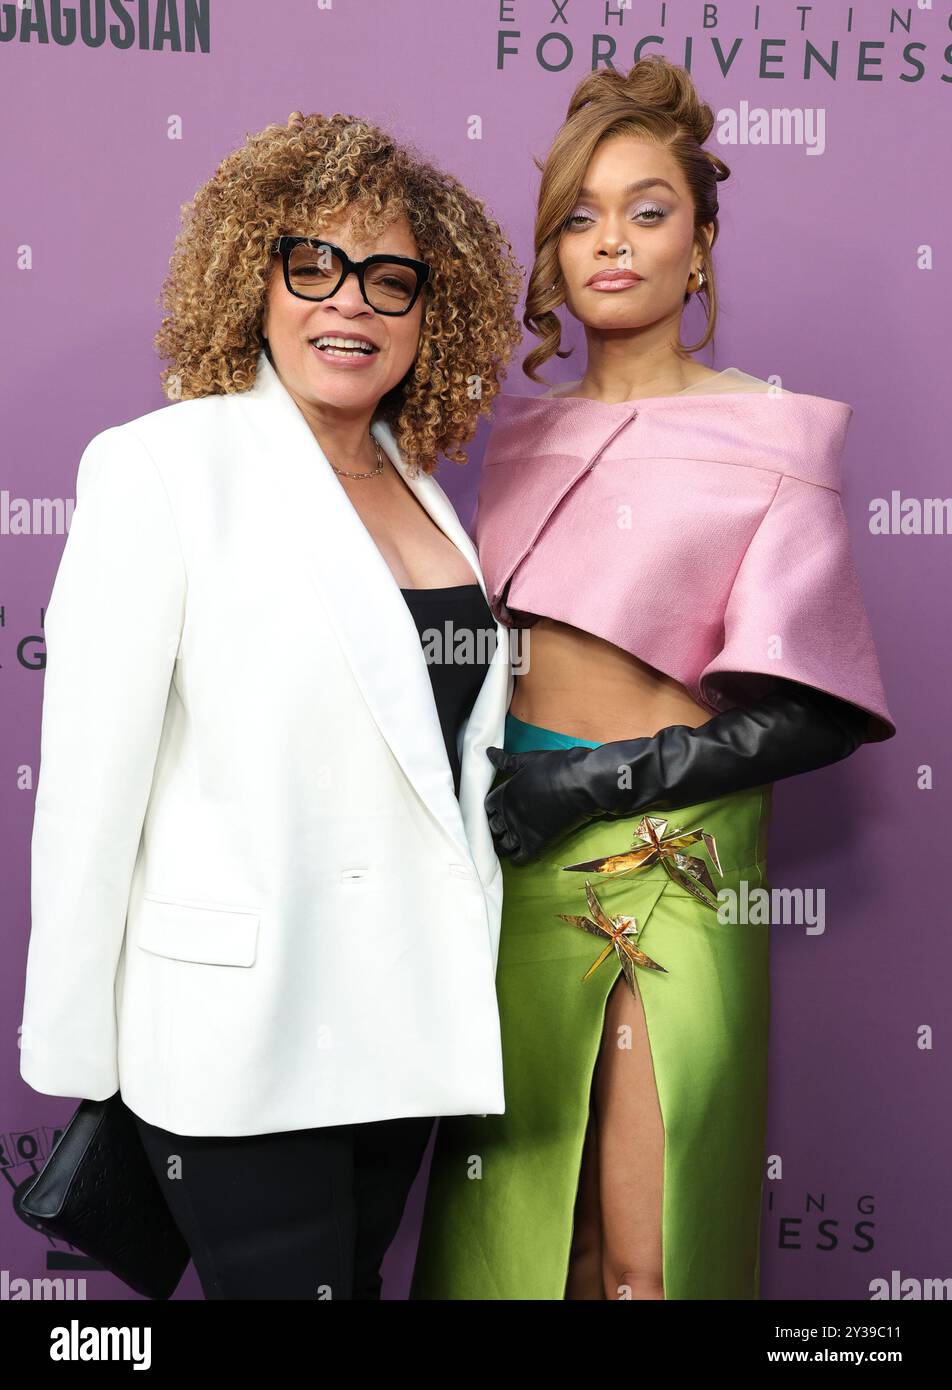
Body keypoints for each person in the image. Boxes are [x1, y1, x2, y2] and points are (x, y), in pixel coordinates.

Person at [410, 57, 895, 1301]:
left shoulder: (772, 434)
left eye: (645, 210)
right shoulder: (510, 438)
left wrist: (609, 780)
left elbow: (818, 708)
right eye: (577, 216)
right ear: (550, 254)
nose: (608, 243)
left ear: (702, 240)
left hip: (672, 861)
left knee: (648, 1259)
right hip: (516, 859)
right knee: (519, 1247)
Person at [18, 110, 523, 1299]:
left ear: (428, 312)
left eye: (389, 279)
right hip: (235, 1033)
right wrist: (81, 1052)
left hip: (404, 1024)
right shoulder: (161, 467)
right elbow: (92, 788)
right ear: (254, 275)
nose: (350, 304)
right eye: (315, 264)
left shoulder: (424, 490)